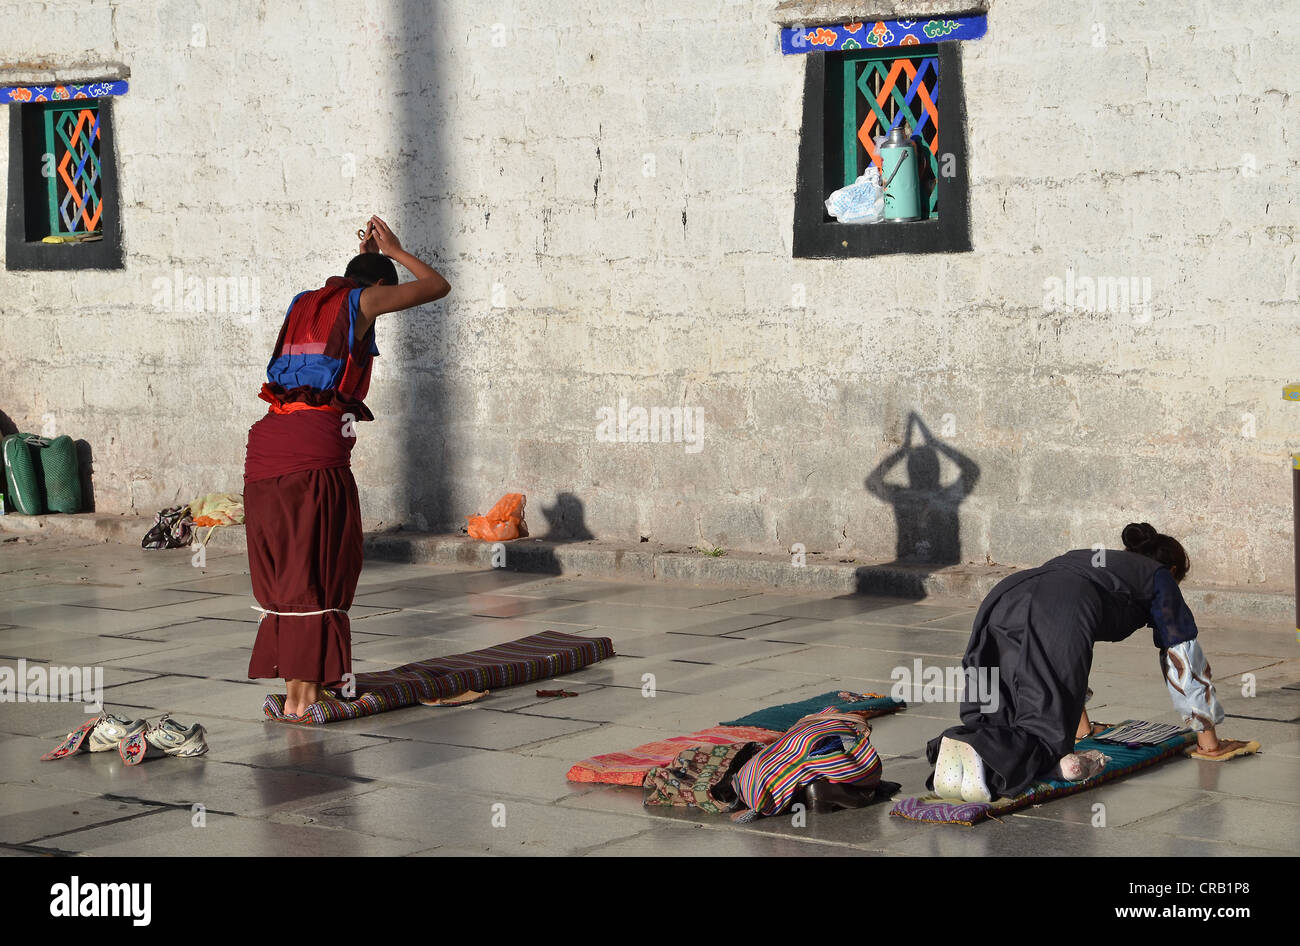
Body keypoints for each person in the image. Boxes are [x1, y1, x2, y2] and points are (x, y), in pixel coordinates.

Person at [243, 216, 450, 719]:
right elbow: (438, 287)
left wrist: (368, 257)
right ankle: (307, 697)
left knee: (287, 567)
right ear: (378, 285)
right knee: (321, 564)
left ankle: (295, 691)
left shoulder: (303, 302)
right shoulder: (365, 298)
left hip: (264, 448)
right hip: (313, 450)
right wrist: (396, 252)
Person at [926, 522, 1247, 802]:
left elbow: (1071, 659)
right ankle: (1047, 760)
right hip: (1058, 606)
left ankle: (970, 744)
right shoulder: (1159, 577)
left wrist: (1084, 730)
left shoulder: (1095, 561)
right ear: (1174, 571)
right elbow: (1184, 660)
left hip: (1005, 595)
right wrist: (1209, 744)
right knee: (1043, 719)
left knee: (993, 698)